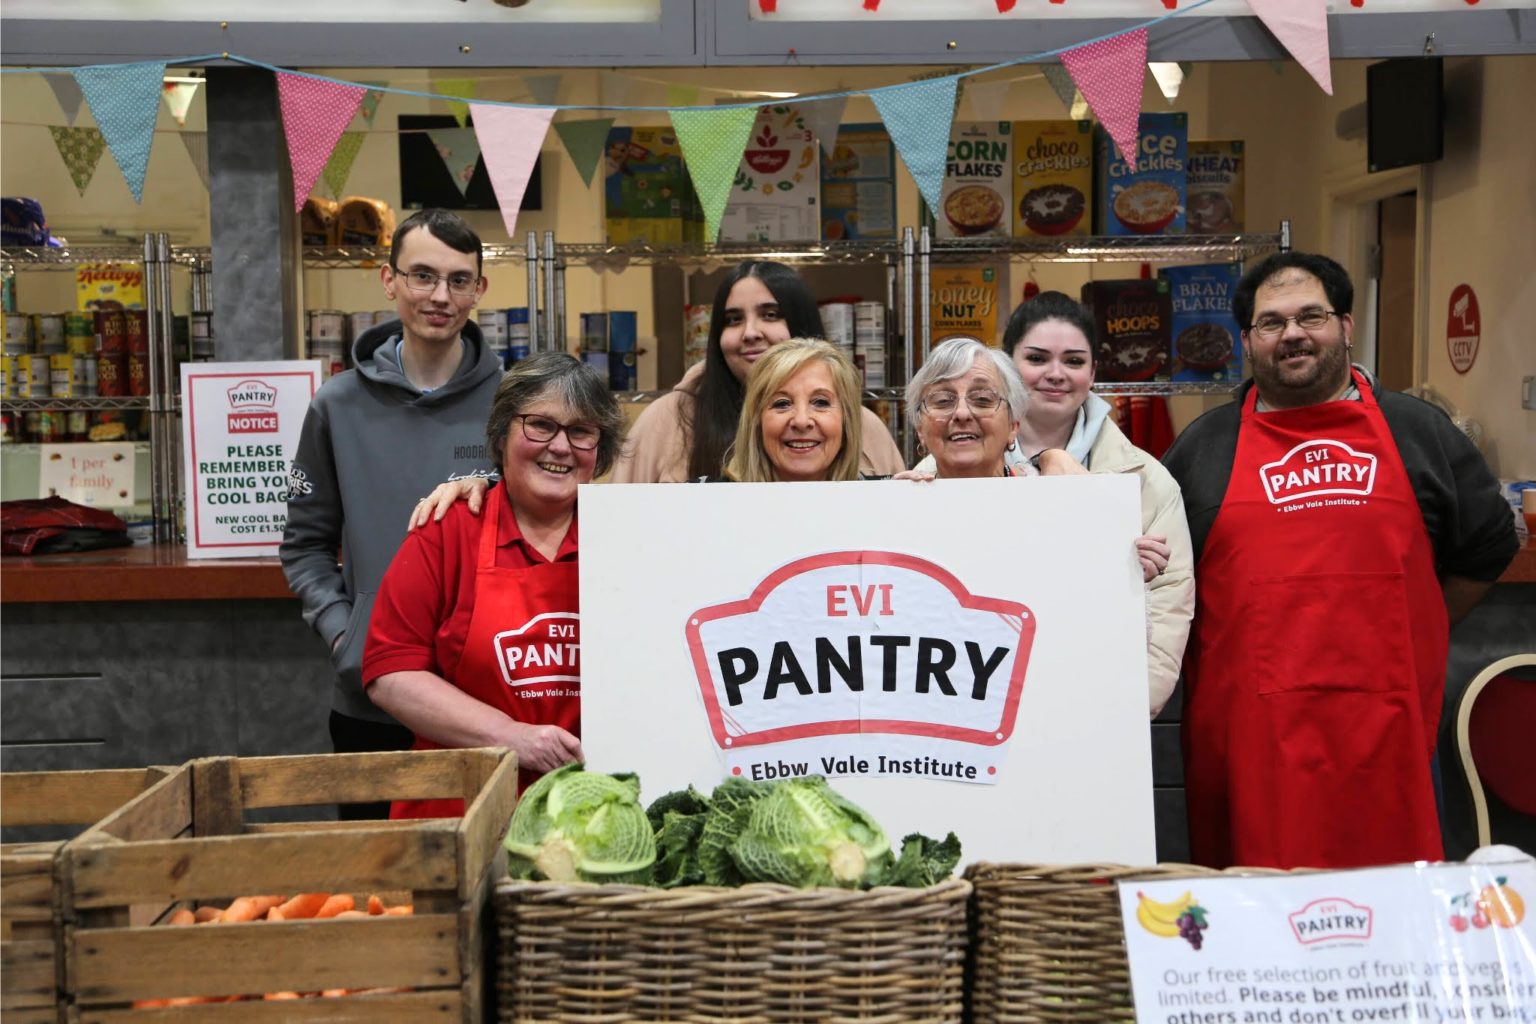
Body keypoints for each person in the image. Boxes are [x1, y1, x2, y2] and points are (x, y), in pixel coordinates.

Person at [1162, 250, 1519, 870]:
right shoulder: (1204, 448)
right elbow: (1168, 578)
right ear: (1248, 341)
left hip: (1387, 738)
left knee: (1390, 919)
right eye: (1271, 323)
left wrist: (1414, 629)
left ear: (1346, 327)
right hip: (1249, 746)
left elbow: (1487, 547)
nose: (1293, 333)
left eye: (1311, 316)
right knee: (1255, 925)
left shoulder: (1421, 432)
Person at [281, 208, 501, 819]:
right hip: (369, 703)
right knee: (380, 888)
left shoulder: (515, 403)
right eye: (422, 275)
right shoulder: (337, 405)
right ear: (389, 280)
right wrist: (345, 633)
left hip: (488, 701)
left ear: (479, 289)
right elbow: (304, 545)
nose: (440, 296)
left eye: (459, 280)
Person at [362, 353, 626, 818]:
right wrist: (511, 737)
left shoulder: (627, 538)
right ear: (502, 434)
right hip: (458, 810)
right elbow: (391, 674)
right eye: (540, 425)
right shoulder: (447, 530)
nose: (560, 447)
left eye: (581, 431)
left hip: (589, 814)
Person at [1004, 293, 1194, 717]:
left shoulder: (1148, 480)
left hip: (1101, 712)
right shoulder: (950, 464)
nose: (1056, 374)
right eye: (1037, 358)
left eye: (1073, 361)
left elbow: (1170, 603)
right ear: (1007, 366)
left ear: (1093, 372)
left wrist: (1125, 711)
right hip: (982, 705)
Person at [900, 335, 1171, 583]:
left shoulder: (1064, 502)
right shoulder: (900, 508)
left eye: (982, 399)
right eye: (942, 401)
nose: (961, 413)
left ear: (1013, 426)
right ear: (920, 430)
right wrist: (893, 532)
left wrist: (1126, 575)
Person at [614, 260, 905, 482]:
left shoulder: (860, 424)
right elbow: (620, 529)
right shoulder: (667, 419)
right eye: (733, 319)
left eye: (770, 315)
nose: (750, 333)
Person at [720, 338, 866, 483]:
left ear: (846, 420)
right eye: (782, 403)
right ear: (756, 422)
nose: (801, 421)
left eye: (821, 402)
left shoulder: (884, 497)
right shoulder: (705, 499)